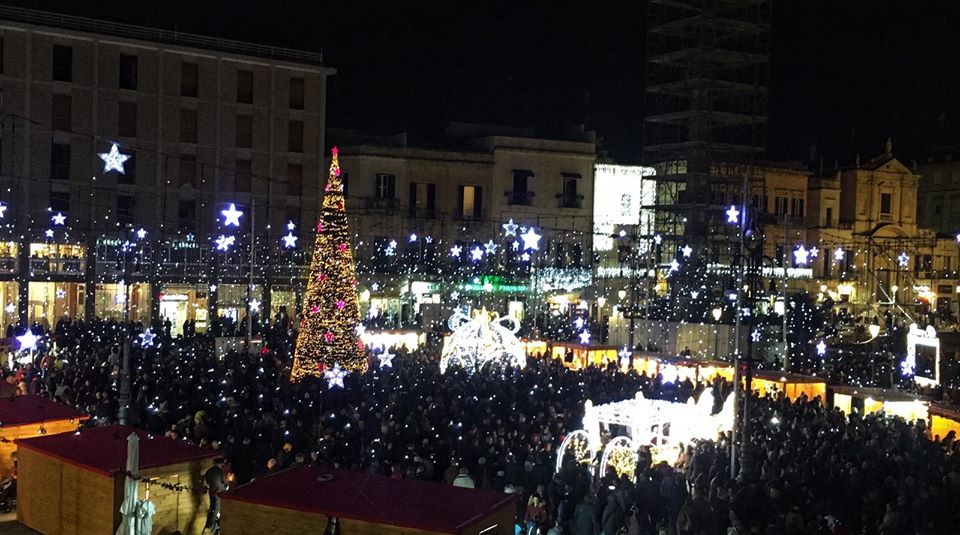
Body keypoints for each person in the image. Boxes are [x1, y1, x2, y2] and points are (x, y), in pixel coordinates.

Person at [203, 458, 228, 534]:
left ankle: (208, 523)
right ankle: (211, 524)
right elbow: (224, 482)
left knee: (212, 507)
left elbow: (207, 481)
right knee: (217, 508)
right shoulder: (221, 472)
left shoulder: (208, 471)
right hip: (219, 492)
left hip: (211, 491)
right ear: (221, 464)